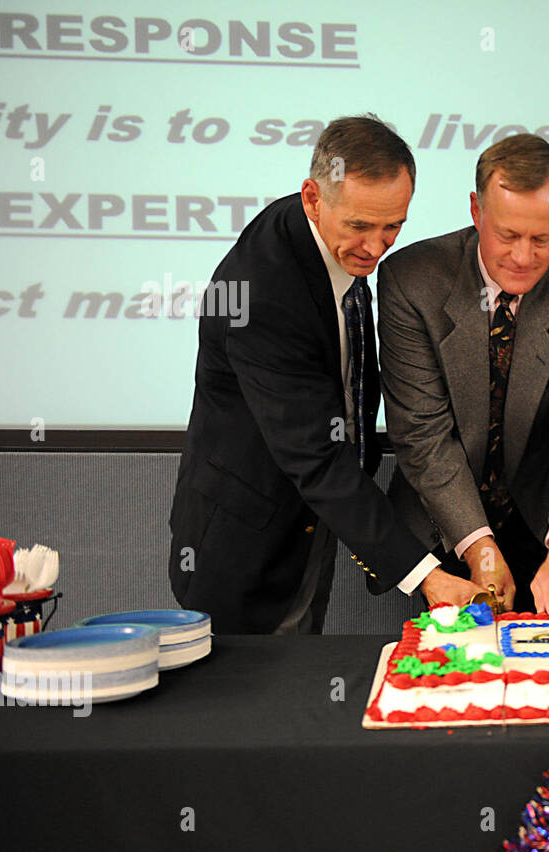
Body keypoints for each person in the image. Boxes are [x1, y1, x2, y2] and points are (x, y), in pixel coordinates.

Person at [169, 115, 474, 635]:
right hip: (246, 539)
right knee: (252, 697)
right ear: (313, 197)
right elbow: (313, 456)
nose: (377, 247)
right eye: (359, 226)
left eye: (393, 226)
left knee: (299, 668)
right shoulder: (262, 295)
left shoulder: (317, 236)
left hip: (316, 513)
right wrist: (425, 577)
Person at [378, 134, 549, 615]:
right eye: (508, 235)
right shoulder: (411, 280)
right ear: (476, 210)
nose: (524, 257)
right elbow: (424, 435)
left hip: (547, 516)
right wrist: (480, 549)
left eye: (541, 239)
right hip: (446, 518)